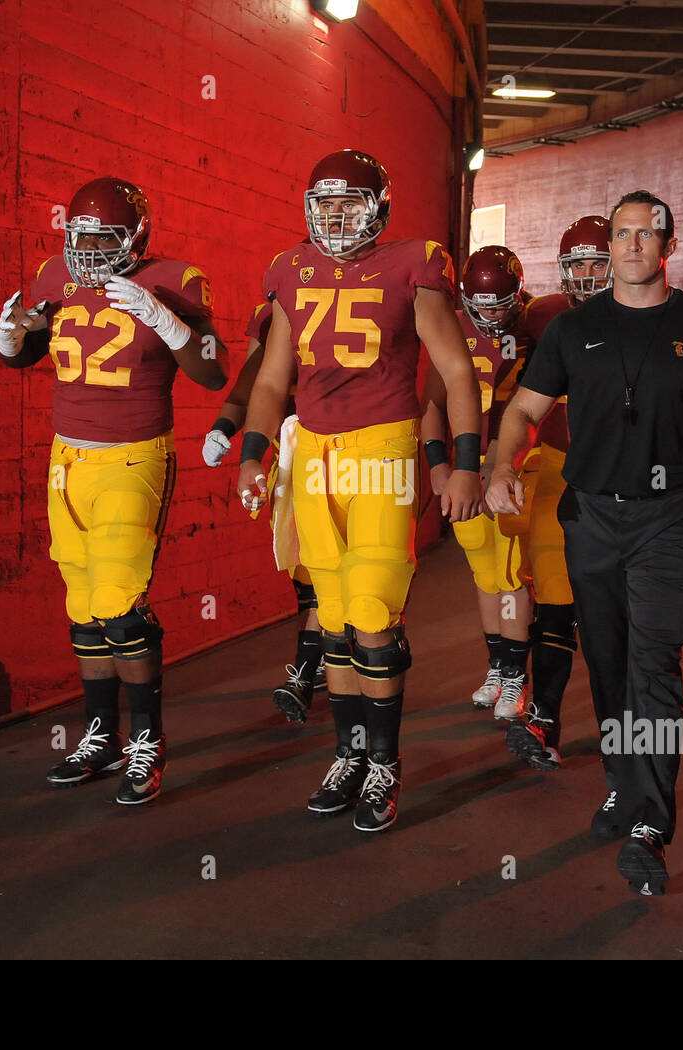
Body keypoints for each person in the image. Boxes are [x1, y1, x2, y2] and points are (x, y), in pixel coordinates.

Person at [487, 190, 683, 895]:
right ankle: (620, 782)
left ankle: (649, 822)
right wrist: (499, 467)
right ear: (607, 245)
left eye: (648, 233)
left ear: (668, 245)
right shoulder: (573, 331)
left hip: (667, 519)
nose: (634, 244)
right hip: (590, 518)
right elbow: (523, 410)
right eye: (622, 233)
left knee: (654, 668)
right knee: (608, 665)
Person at [237, 148, 483, 832]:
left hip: (382, 449)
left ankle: (384, 762)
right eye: (326, 204)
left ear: (380, 207)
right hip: (313, 456)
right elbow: (269, 377)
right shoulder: (289, 268)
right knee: (337, 618)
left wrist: (465, 463)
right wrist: (253, 453)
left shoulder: (416, 261)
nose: (337, 217)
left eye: (351, 203)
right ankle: (347, 753)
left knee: (373, 614)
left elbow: (456, 372)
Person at [0, 176, 227, 805]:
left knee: (119, 601)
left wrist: (164, 319)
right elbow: (30, 353)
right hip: (66, 461)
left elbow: (214, 370)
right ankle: (100, 732)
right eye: (79, 235)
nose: (89, 248)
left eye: (103, 236)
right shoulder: (53, 276)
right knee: (82, 604)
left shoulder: (174, 279)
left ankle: (147, 741)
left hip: (133, 458)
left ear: (136, 237)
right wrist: (12, 338)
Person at [496, 215, 611, 772]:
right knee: (555, 602)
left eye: (598, 263)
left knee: (620, 617)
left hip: (628, 486)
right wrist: (503, 465)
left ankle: (624, 725)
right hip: (562, 471)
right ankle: (544, 717)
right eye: (577, 264)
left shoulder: (663, 320)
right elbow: (515, 400)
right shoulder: (543, 318)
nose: (587, 276)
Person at [422, 245, 533, 722]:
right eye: (479, 304)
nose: (488, 314)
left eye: (498, 304)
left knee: (511, 575)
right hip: (467, 468)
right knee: (485, 575)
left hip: (517, 463)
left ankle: (516, 676)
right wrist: (438, 465)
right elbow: (430, 402)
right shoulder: (452, 324)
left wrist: (505, 463)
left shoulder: (538, 323)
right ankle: (499, 668)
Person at [203, 297, 326, 721]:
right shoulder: (276, 312)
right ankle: (319, 657)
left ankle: (306, 675)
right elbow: (252, 385)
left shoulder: (372, 292)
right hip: (293, 455)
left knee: (332, 571)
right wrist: (224, 428)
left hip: (352, 450)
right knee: (304, 568)